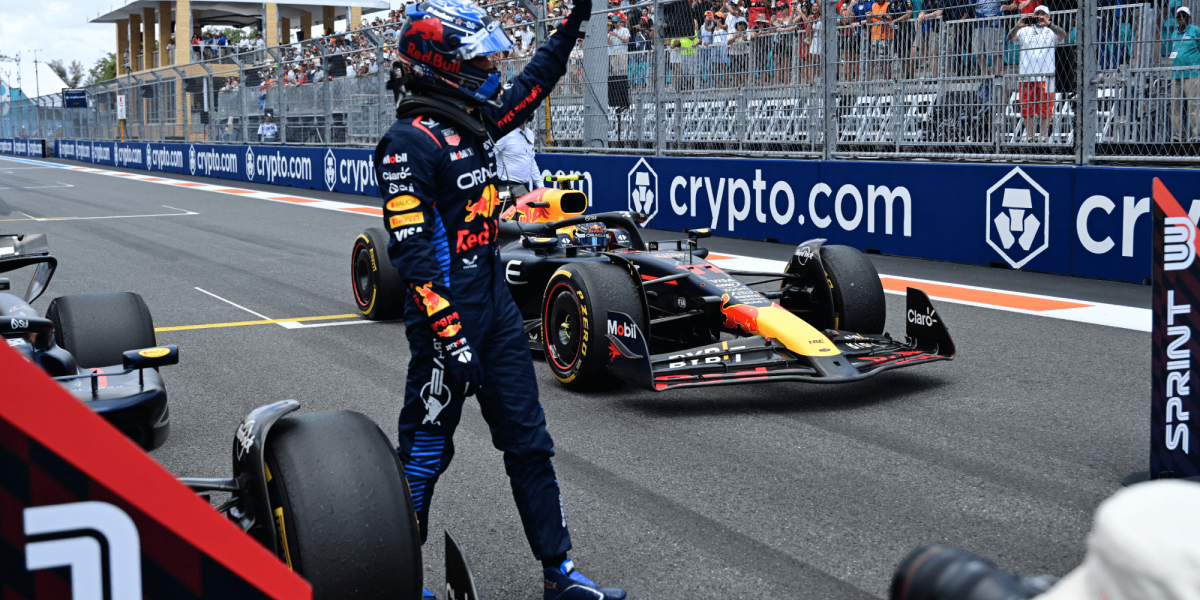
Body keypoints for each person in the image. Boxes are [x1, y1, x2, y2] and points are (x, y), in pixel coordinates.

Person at [373, 1, 626, 598]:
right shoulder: (404, 143)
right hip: (444, 324)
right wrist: (451, 336)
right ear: (439, 65)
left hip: (495, 310)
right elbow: (411, 258)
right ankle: (399, 582)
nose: (491, 65)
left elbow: (535, 81)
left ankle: (558, 574)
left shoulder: (477, 118)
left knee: (530, 444)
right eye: (478, 57)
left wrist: (572, 25)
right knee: (425, 452)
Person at [1007, 4, 1067, 141]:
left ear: (1048, 16)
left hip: (1047, 76)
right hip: (1026, 75)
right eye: (1037, 14)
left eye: (1043, 14)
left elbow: (1063, 34)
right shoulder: (1025, 30)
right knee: (1027, 106)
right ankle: (1029, 135)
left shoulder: (1051, 31)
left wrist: (1049, 24)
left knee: (1046, 106)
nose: (1039, 16)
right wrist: (1018, 26)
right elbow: (1010, 38)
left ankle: (1044, 135)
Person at [1170, 6, 1200, 142]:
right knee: (1175, 107)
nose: (1181, 18)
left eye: (1184, 15)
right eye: (1178, 16)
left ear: (1189, 17)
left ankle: (1196, 136)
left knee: (1194, 105)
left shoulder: (1196, 31)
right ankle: (1177, 137)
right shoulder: (1174, 34)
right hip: (1176, 74)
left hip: (1192, 73)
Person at [495, 118, 541, 199]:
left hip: (523, 187)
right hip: (506, 186)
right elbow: (488, 155)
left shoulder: (529, 133)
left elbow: (531, 161)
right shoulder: (504, 134)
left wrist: (541, 186)